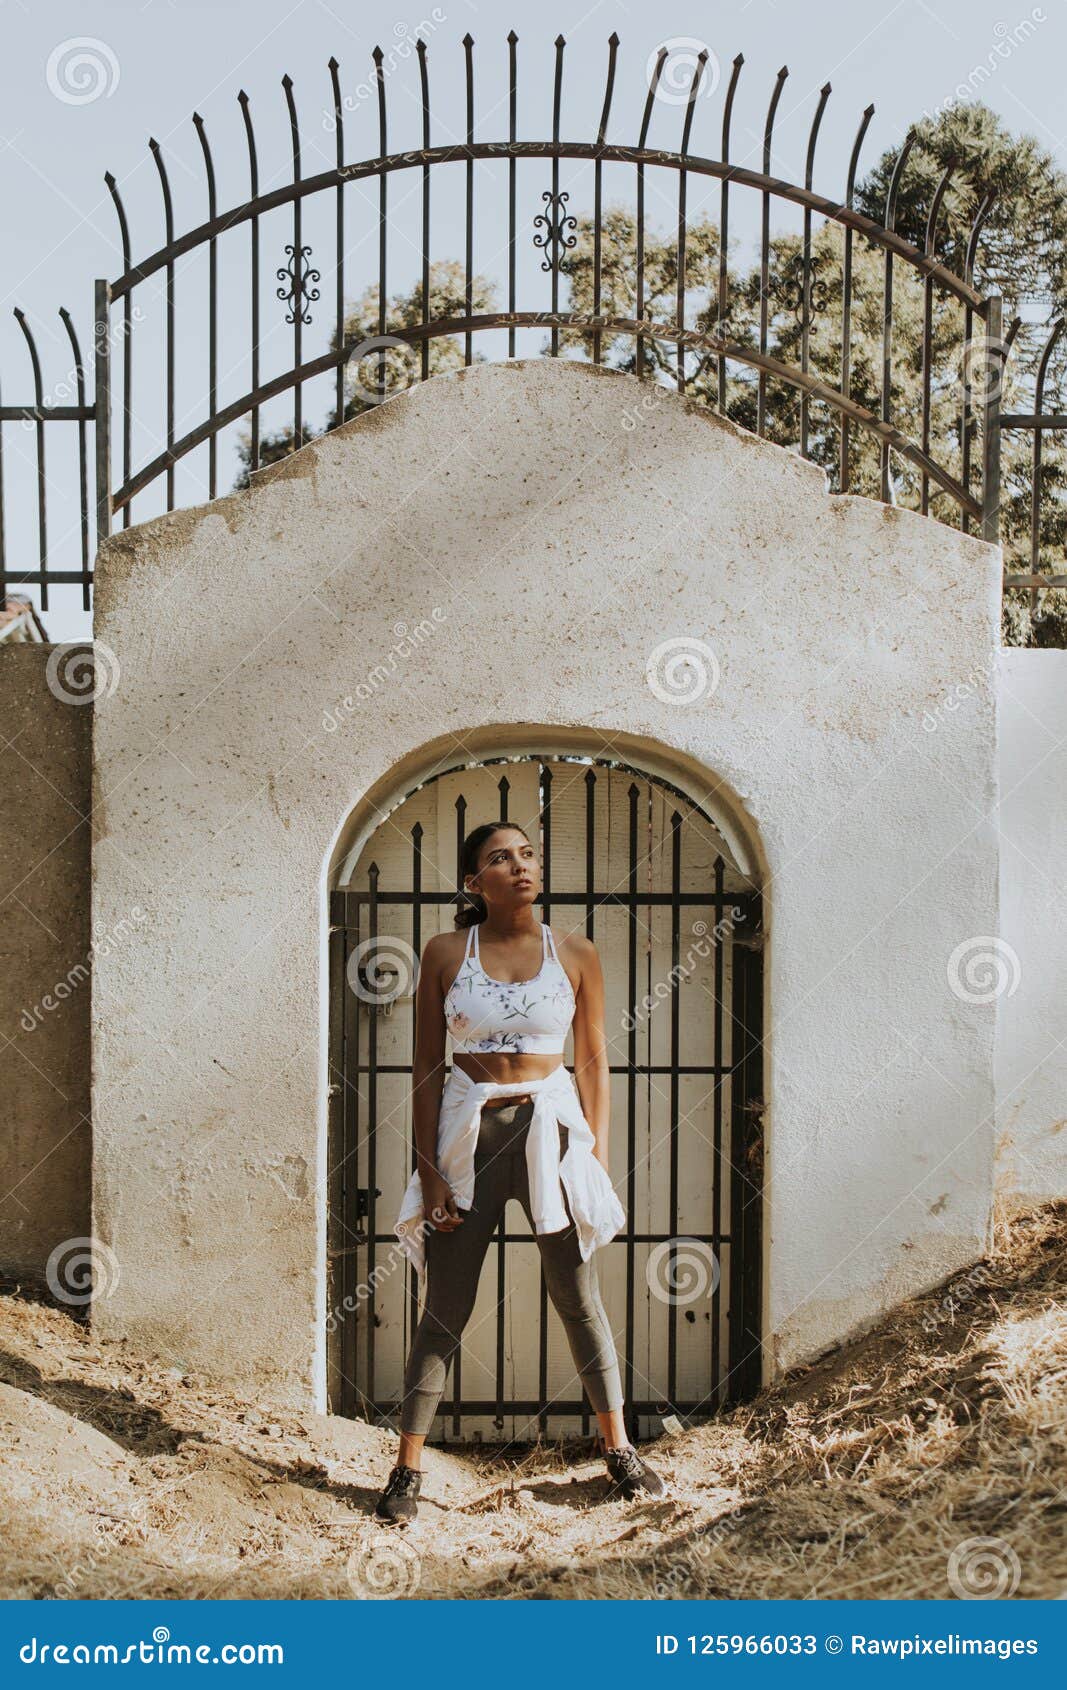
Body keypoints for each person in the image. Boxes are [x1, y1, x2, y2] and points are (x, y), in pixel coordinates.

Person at [372, 820, 666, 1524]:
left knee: (576, 1295)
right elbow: (424, 1068)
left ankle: (617, 1449)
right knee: (444, 1306)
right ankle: (406, 1469)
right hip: (467, 1136)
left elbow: (593, 1060)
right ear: (473, 882)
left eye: (527, 853)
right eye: (499, 858)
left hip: (551, 1134)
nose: (520, 865)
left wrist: (593, 1158)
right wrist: (429, 1172)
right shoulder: (445, 951)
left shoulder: (575, 951)